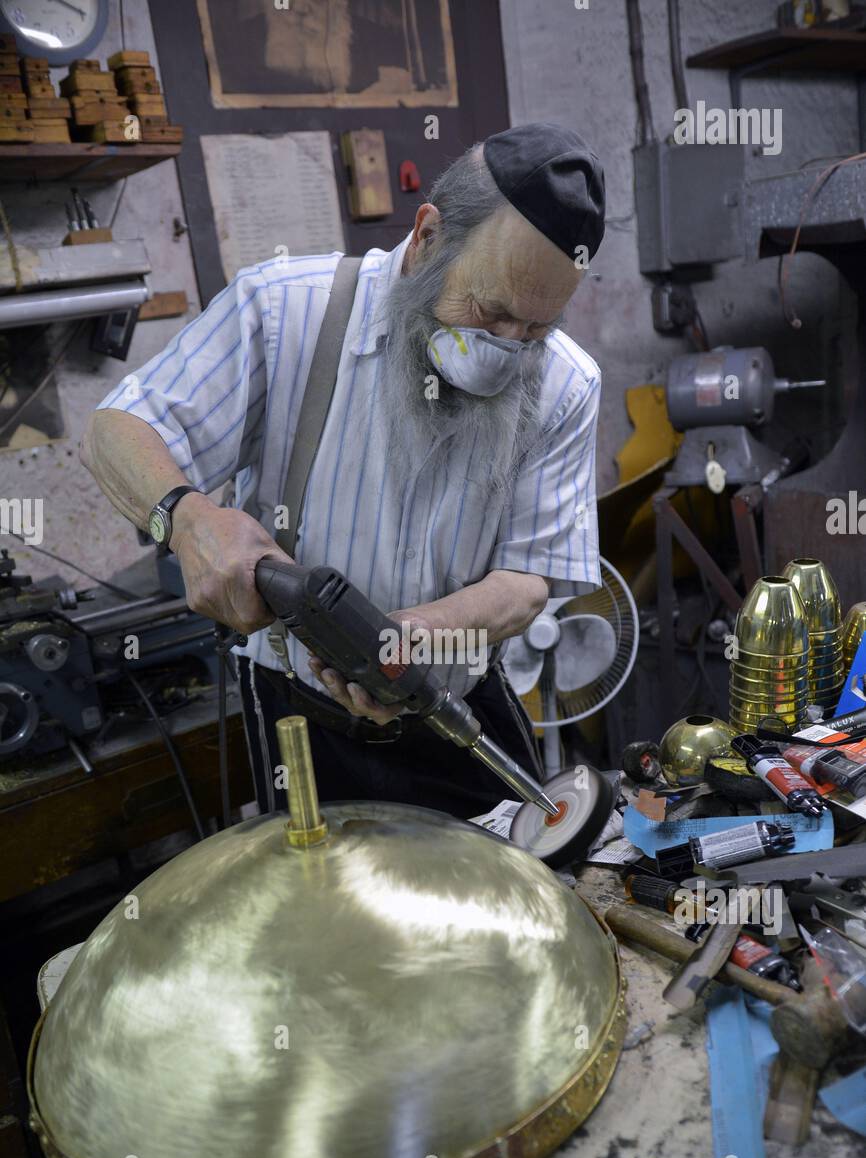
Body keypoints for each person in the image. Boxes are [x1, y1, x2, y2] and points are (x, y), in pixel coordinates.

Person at [82, 123, 606, 819]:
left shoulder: (566, 384)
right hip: (302, 731)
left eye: (536, 329)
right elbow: (114, 429)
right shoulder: (285, 313)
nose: (504, 349)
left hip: (459, 719)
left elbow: (527, 579)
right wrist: (185, 519)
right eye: (489, 311)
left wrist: (415, 638)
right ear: (427, 237)